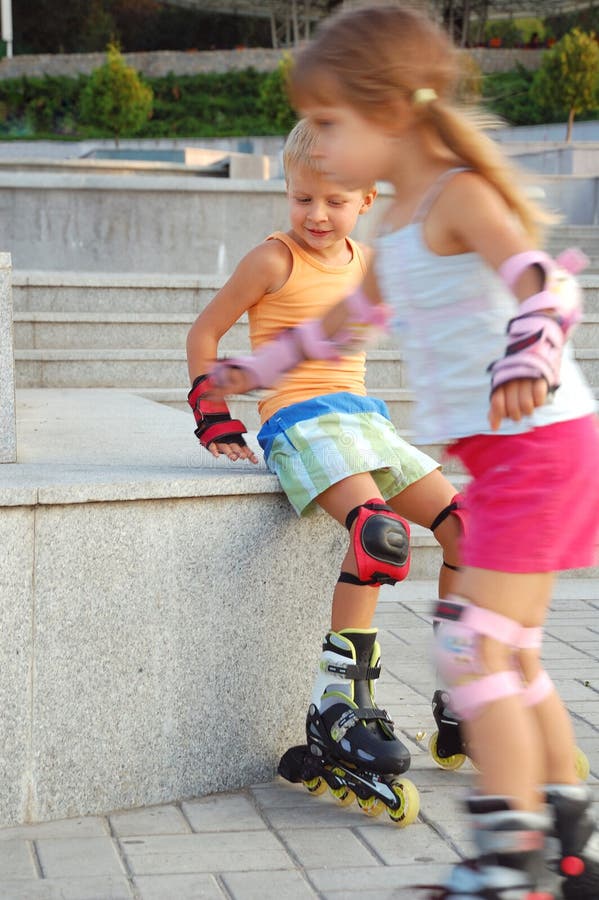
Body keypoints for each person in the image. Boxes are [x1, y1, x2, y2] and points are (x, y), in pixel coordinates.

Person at [208, 7, 599, 899]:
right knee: (513, 656)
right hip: (514, 462)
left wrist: (530, 345)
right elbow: (333, 327)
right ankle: (567, 846)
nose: (322, 150)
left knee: (472, 651)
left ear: (387, 113)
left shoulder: (461, 195)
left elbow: (546, 279)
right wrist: (252, 367)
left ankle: (506, 865)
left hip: (543, 446)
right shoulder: (395, 240)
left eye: (332, 124)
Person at [186, 117, 464, 822]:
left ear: (364, 199)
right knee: (381, 538)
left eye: (334, 200)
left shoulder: (368, 265)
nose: (315, 214)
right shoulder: (272, 260)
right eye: (302, 197)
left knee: (469, 529)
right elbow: (204, 331)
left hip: (365, 421)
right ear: (286, 190)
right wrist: (213, 412)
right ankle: (339, 711)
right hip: (300, 423)